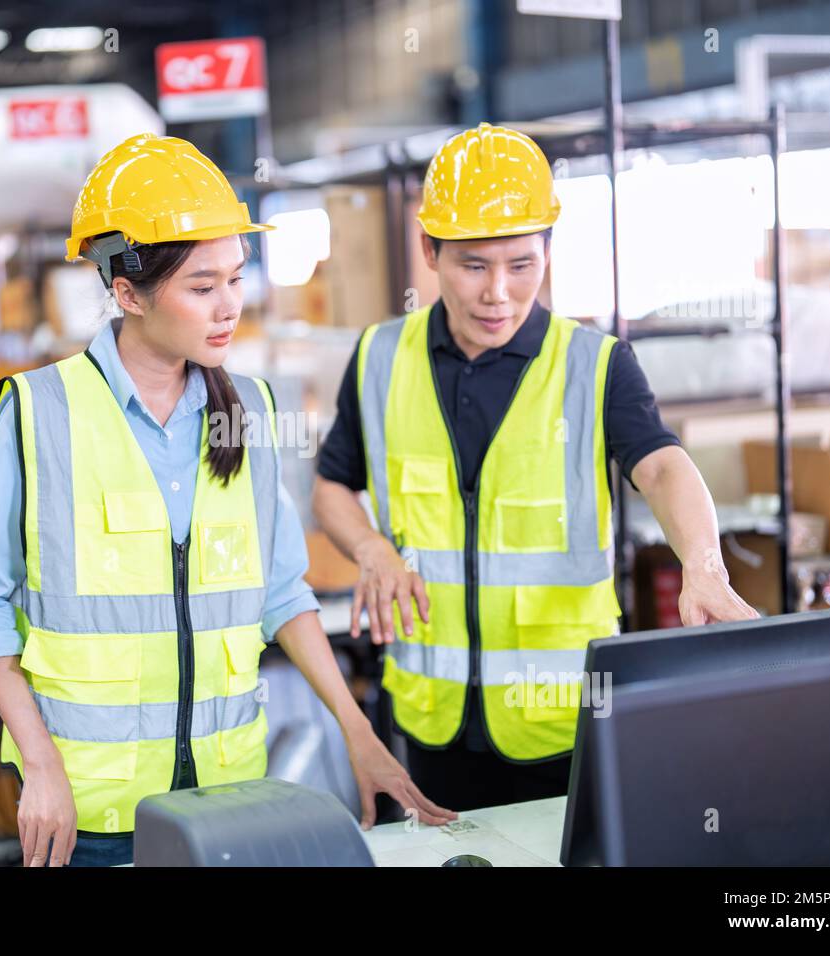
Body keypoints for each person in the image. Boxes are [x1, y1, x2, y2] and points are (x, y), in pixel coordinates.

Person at [0, 133, 455, 867]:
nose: (229, 307)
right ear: (127, 293)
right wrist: (43, 767)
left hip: (227, 800)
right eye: (201, 285)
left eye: (235, 277)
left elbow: (283, 591)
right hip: (91, 813)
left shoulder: (247, 408)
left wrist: (357, 731)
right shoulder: (38, 411)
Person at [311, 122, 759, 814]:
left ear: (547, 250)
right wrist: (369, 547)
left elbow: (663, 466)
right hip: (432, 723)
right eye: (474, 265)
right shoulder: (378, 357)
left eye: (522, 264)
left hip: (560, 724)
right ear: (429, 251)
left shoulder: (595, 364)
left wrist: (703, 562)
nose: (499, 292)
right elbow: (333, 483)